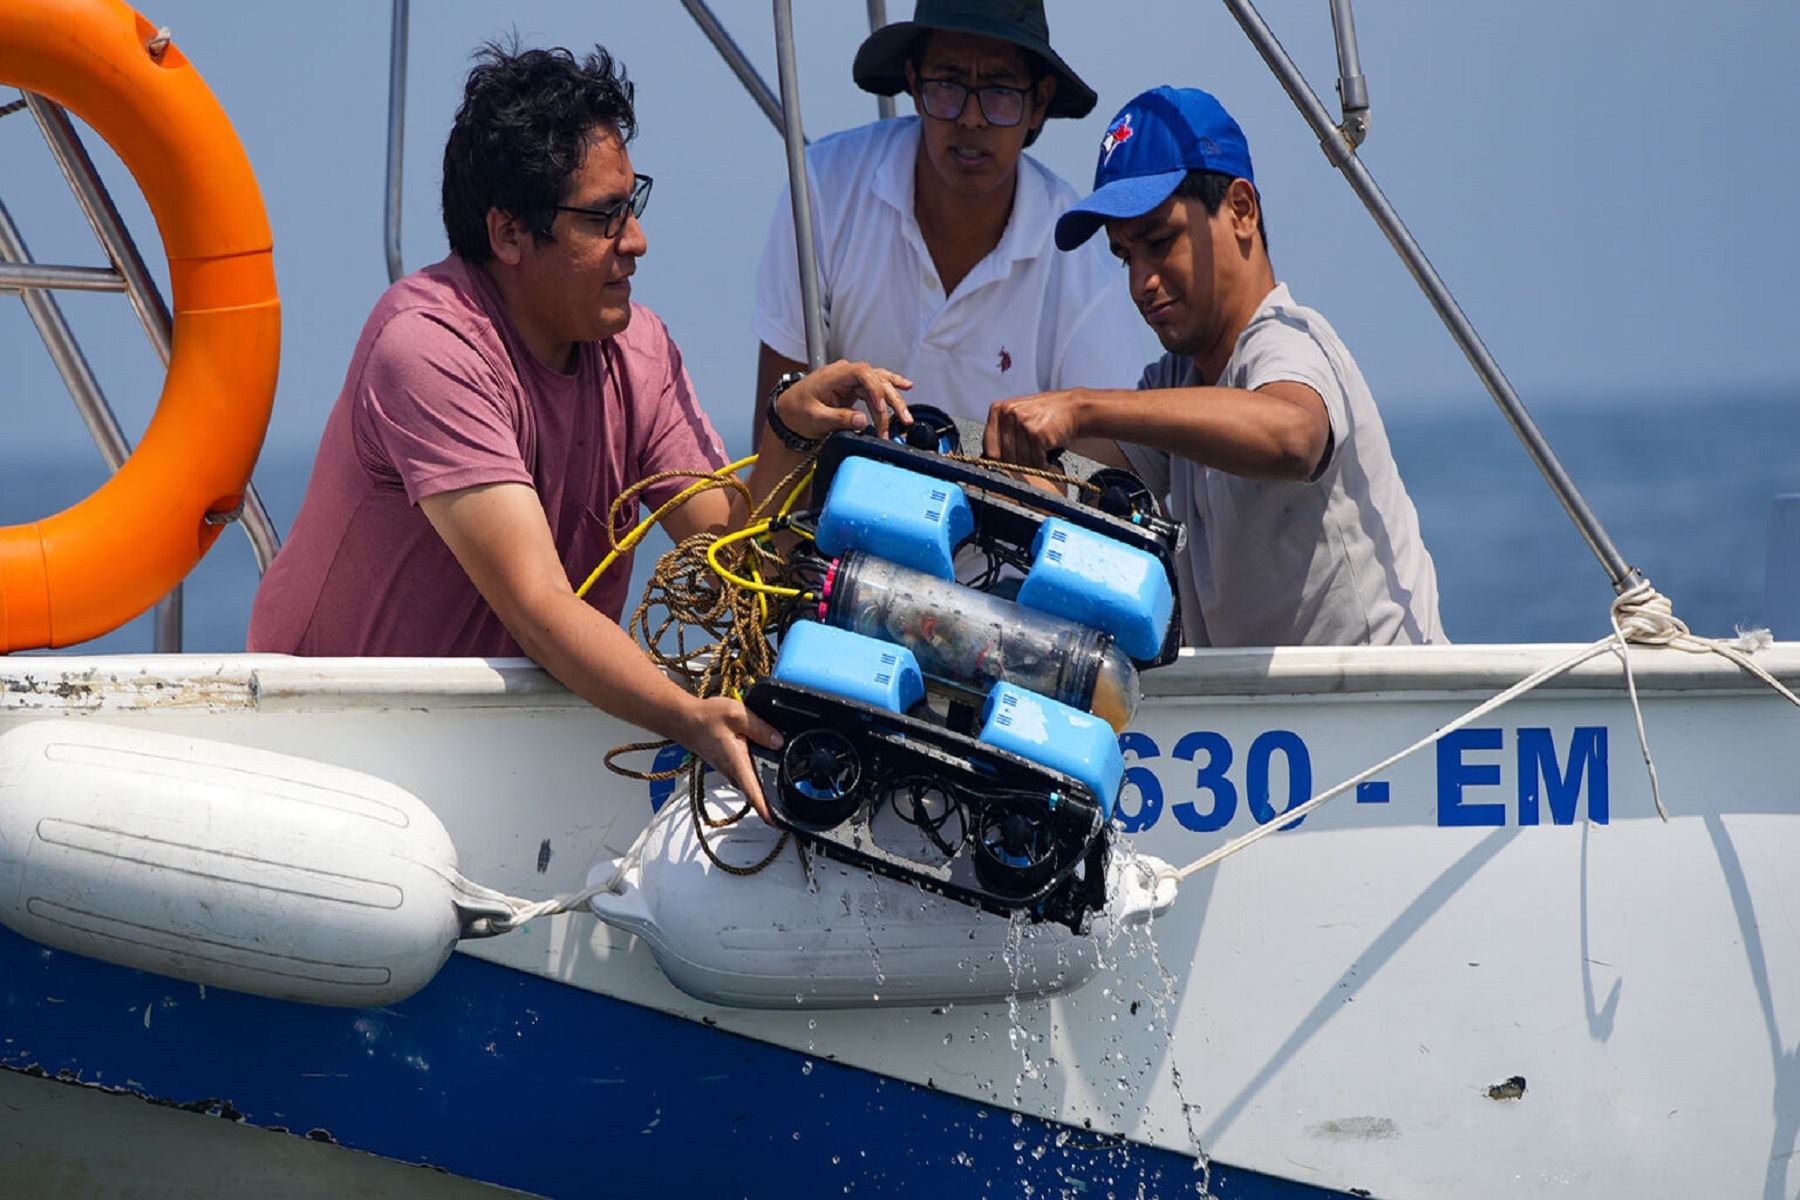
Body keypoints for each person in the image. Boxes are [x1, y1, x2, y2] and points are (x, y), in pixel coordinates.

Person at [248, 45, 909, 815]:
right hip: (329, 751)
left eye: (633, 205)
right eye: (603, 217)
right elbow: (539, 607)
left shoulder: (639, 348)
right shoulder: (428, 347)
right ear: (509, 234)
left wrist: (789, 434)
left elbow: (731, 553)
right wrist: (687, 717)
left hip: (506, 756)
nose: (636, 241)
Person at [983, 86, 1445, 647]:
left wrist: (1081, 406)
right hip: (1264, 722)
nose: (1140, 282)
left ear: (1242, 211)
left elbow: (1293, 436)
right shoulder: (1177, 381)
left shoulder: (1290, 339)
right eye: (1125, 256)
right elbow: (1066, 482)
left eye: (1160, 241)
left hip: (1381, 714)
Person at [750, 0, 1143, 442]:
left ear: (1040, 103)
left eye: (999, 89)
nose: (971, 118)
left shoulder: (1083, 260)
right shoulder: (822, 188)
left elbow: (1104, 480)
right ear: (915, 85)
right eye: (949, 84)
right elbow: (777, 433)